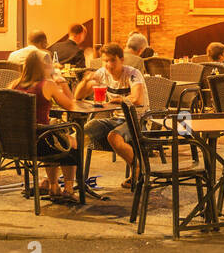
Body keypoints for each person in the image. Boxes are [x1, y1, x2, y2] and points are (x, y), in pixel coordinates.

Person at [75, 43, 148, 187]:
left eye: (112, 60)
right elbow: (78, 96)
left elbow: (137, 99)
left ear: (121, 60)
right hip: (115, 119)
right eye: (105, 61)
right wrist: (85, 80)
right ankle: (71, 179)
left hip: (137, 119)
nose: (109, 64)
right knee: (81, 133)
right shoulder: (102, 73)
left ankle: (137, 167)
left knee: (113, 137)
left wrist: (120, 100)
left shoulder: (132, 74)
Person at [11, 50, 80, 201]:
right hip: (40, 142)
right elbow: (71, 105)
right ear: (43, 67)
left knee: (54, 135)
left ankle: (54, 186)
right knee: (72, 141)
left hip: (17, 143)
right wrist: (62, 83)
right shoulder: (47, 85)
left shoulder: (14, 85)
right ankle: (68, 189)